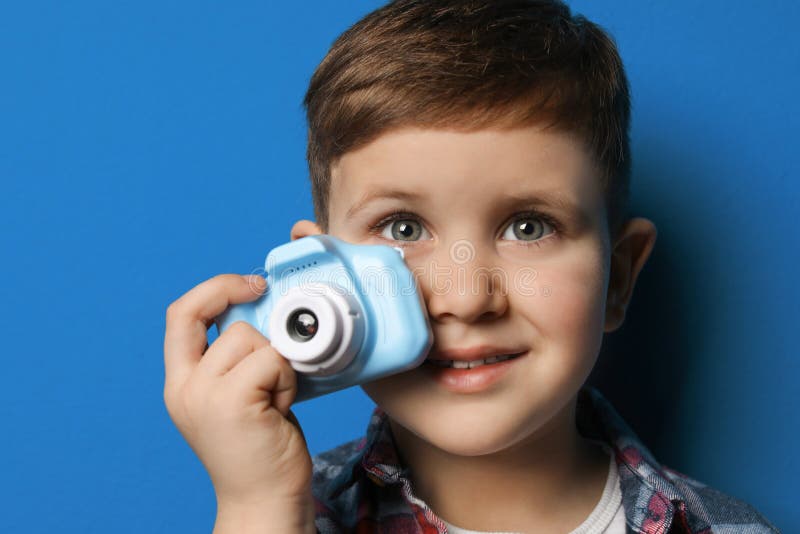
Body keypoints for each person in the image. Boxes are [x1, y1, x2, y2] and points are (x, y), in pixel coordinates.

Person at [163, 1, 779, 532]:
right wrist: (257, 505)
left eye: (528, 227)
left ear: (618, 277)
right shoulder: (283, 514)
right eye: (404, 228)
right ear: (320, 272)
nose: (465, 298)